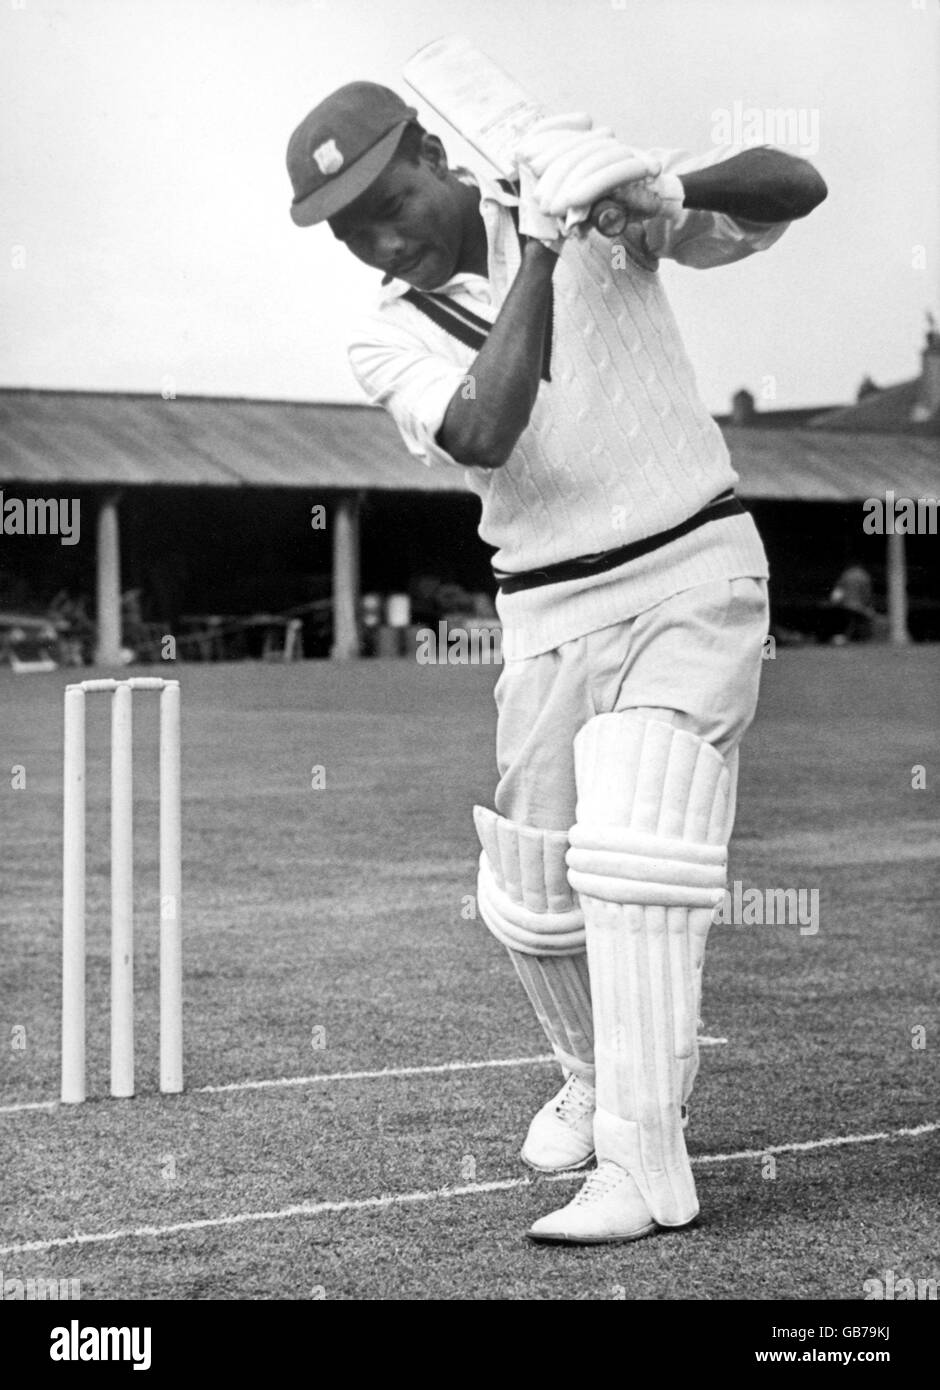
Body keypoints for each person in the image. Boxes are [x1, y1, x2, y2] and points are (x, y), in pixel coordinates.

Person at [286, 81, 826, 1244]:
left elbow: (796, 186)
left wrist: (660, 189)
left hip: (691, 564)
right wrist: (537, 249)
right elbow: (487, 428)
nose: (385, 238)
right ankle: (595, 1075)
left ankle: (643, 1163)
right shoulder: (385, 329)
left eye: (394, 201)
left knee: (636, 844)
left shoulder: (581, 194)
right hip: (543, 609)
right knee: (530, 894)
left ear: (435, 152)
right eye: (354, 229)